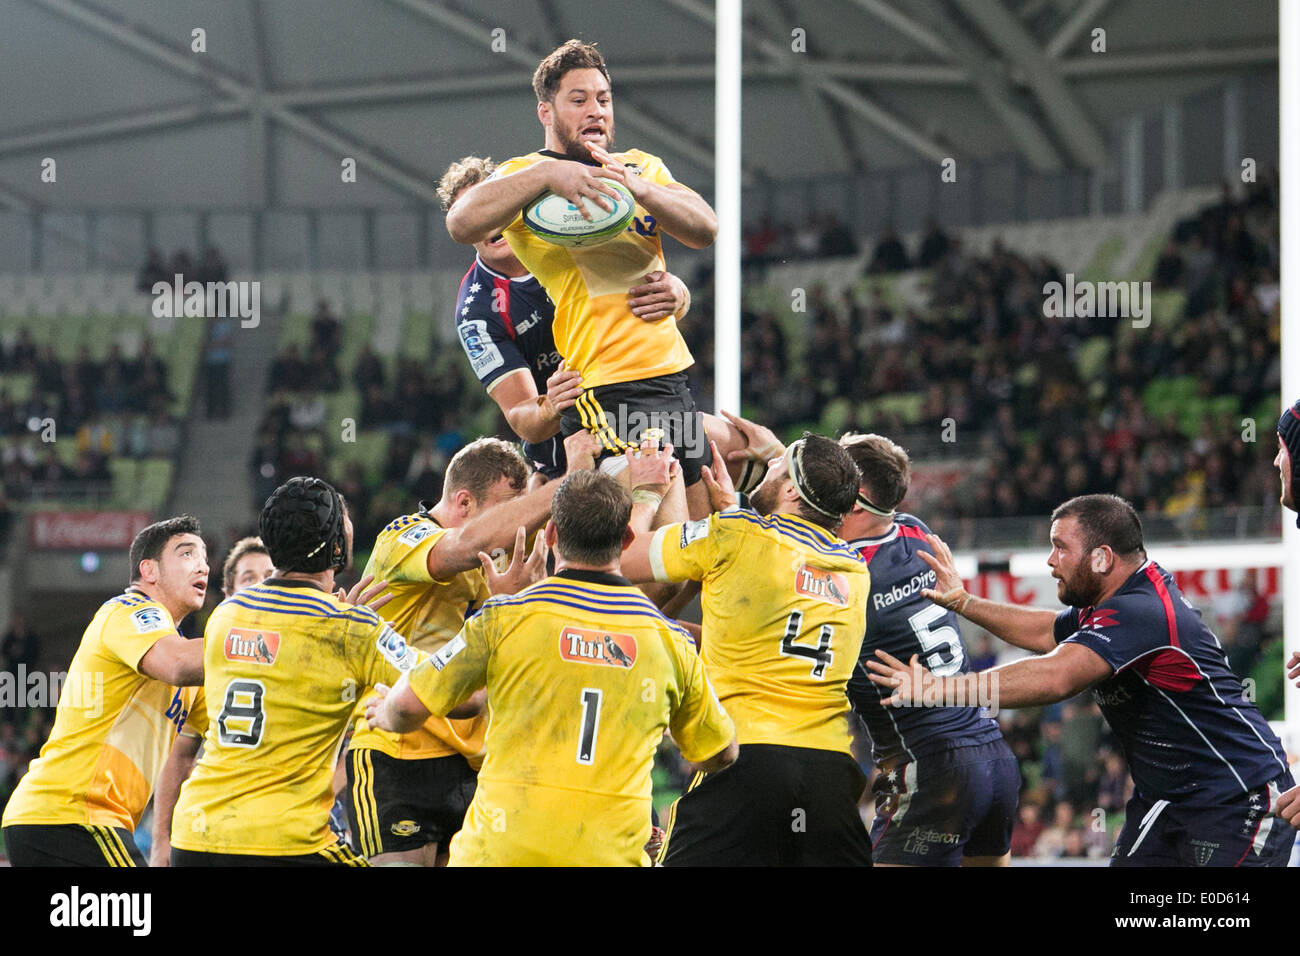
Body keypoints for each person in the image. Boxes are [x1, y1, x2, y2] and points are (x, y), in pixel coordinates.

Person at [867, 493, 1296, 866]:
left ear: (1102, 557)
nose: (1051, 561)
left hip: (1238, 797)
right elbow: (1043, 631)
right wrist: (963, 601)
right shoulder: (1114, 599)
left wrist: (937, 689)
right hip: (1166, 800)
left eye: (1059, 548)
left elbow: (1057, 676)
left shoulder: (1142, 612)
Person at [365, 469, 737, 865]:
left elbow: (409, 705)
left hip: (500, 853)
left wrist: (387, 712)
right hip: (608, 855)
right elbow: (720, 752)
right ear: (627, 540)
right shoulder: (669, 641)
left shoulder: (503, 619)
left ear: (552, 536)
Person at [445, 40, 723, 518]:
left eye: (603, 99)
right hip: (608, 388)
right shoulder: (527, 176)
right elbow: (462, 222)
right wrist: (550, 174)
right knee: (655, 551)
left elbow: (705, 228)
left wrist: (637, 187)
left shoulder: (641, 166)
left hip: (671, 376)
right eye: (578, 100)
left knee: (697, 554)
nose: (595, 111)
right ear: (545, 111)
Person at [621, 434, 875, 866]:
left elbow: (623, 561)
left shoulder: (733, 536)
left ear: (791, 490)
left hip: (746, 759)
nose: (769, 468)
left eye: (778, 465)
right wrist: (735, 515)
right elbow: (771, 600)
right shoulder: (855, 571)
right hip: (830, 776)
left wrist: (649, 491)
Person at [345, 432, 596, 865]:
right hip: (397, 748)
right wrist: (570, 482)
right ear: (463, 503)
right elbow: (463, 546)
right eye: (504, 509)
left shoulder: (494, 569)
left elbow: (486, 665)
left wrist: (517, 601)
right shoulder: (405, 536)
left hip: (469, 762)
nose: (512, 526)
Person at [169, 478, 417, 866]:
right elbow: (449, 687)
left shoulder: (224, 616)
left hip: (195, 838)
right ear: (337, 546)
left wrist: (340, 624)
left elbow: (284, 660)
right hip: (284, 843)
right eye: (345, 519)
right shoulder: (351, 628)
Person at [837, 433, 1019, 866]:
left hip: (932, 768)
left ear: (858, 498)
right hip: (994, 758)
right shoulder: (918, 533)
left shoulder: (843, 569)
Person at [2, 516, 209, 866]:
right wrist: (248, 632)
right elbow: (175, 663)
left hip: (67, 820)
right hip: (71, 814)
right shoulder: (128, 613)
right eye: (187, 553)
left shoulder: (189, 662)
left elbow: (234, 732)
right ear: (150, 570)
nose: (203, 565)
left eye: (204, 557)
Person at [149, 536, 275, 866]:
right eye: (249, 578)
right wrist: (161, 841)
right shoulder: (205, 664)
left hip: (293, 826)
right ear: (229, 595)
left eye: (270, 576)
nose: (262, 585)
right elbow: (178, 759)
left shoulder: (313, 650)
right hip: (216, 831)